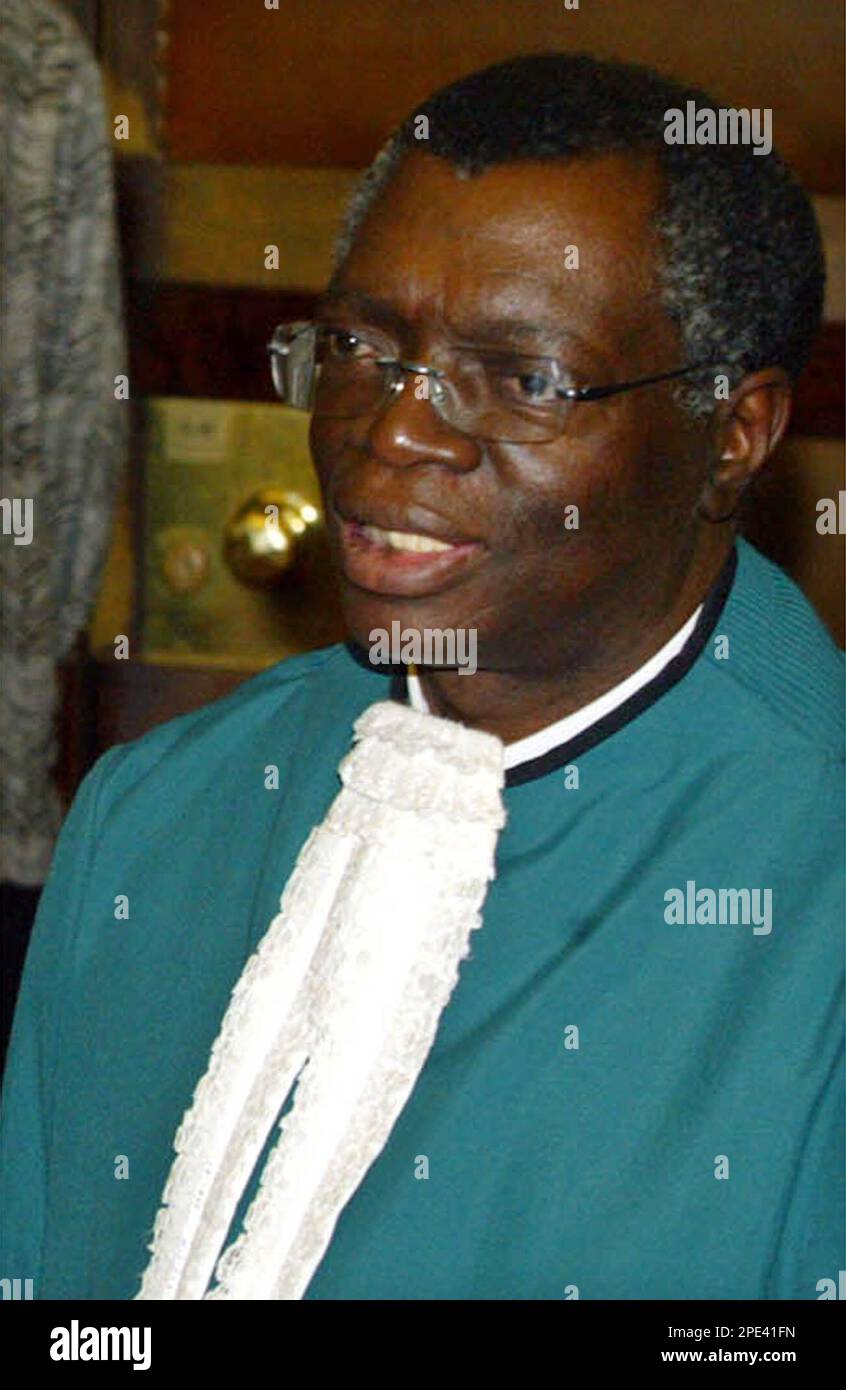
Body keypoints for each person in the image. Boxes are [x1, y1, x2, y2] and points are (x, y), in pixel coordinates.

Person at [0, 52, 842, 1302]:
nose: (393, 429)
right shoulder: (150, 818)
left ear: (731, 435)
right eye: (360, 344)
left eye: (524, 379)